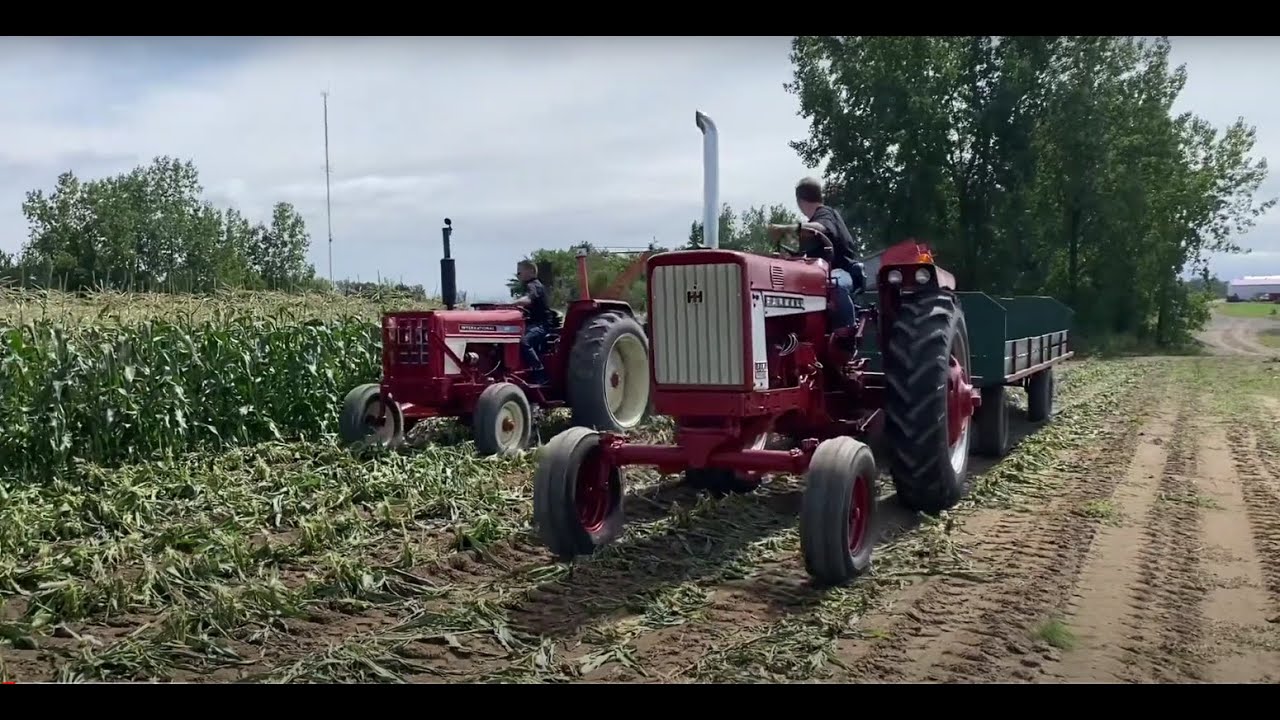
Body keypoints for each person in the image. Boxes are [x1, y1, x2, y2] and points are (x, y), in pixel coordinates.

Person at [767, 177, 863, 330]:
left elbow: (820, 227)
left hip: (841, 271)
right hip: (819, 273)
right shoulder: (810, 232)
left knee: (833, 284)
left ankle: (846, 332)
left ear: (799, 201)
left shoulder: (825, 214)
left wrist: (785, 229)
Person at [513, 259, 551, 384]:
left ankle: (540, 373)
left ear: (530, 271)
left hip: (541, 325)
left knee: (524, 341)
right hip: (531, 324)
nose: (518, 275)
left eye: (520, 272)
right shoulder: (529, 286)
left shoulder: (534, 285)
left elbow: (528, 299)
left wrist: (513, 303)